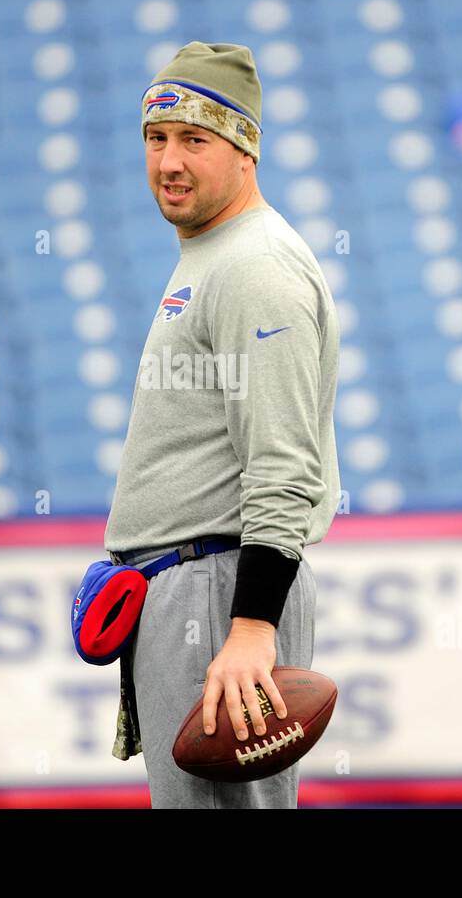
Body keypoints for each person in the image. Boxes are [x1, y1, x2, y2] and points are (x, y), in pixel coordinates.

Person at [103, 42, 342, 808]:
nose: (168, 161)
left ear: (245, 150)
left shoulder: (253, 267)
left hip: (219, 590)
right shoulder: (214, 255)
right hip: (193, 588)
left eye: (195, 140)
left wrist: (250, 626)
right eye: (155, 138)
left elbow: (283, 463)